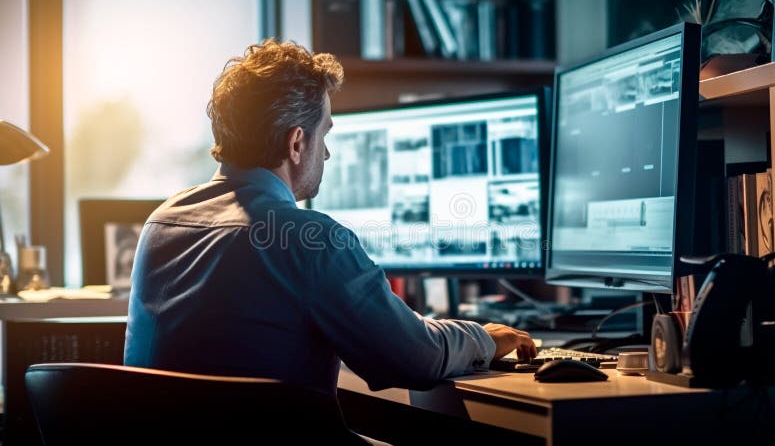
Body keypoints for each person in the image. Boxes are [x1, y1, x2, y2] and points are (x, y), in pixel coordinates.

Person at [123, 39, 536, 399]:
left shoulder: (161, 224)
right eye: (325, 135)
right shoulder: (309, 238)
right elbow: (415, 359)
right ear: (297, 143)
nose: (327, 154)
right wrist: (484, 337)